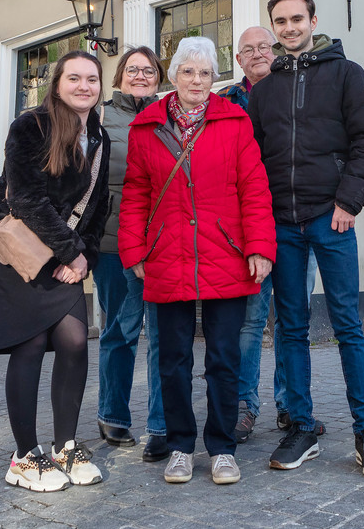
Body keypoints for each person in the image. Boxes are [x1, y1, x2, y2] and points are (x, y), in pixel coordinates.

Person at [246, 0, 364, 479]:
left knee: (348, 325)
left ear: (312, 20)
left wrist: (349, 201)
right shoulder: (263, 89)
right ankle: (301, 427)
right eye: (280, 22)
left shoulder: (347, 74)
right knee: (290, 327)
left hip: (331, 220)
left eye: (296, 19)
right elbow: (254, 159)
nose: (289, 28)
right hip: (282, 226)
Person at [119, 36, 276, 485]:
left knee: (225, 358)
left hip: (225, 253)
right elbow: (135, 195)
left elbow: (254, 187)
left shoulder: (235, 120)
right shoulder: (146, 128)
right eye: (188, 71)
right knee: (172, 358)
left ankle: (222, 447)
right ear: (173, 77)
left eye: (205, 73)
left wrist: (260, 246)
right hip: (167, 254)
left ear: (214, 79)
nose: (196, 80)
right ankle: (181, 446)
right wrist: (135, 251)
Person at [0, 51, 110, 493]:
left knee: (74, 340)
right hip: (19, 253)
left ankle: (65, 446)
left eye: (92, 79)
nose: (84, 86)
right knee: (30, 344)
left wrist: (85, 254)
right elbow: (26, 199)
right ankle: (24, 456)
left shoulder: (99, 136)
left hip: (65, 255)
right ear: (57, 83)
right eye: (74, 78)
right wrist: (70, 253)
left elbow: (96, 206)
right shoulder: (31, 126)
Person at [224, 27, 323, 442]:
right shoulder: (226, 103)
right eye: (248, 49)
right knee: (249, 321)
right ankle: (244, 405)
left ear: (277, 49)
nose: (258, 53)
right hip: (247, 227)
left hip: (298, 219)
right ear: (239, 60)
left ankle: (290, 405)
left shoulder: (300, 88)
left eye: (265, 46)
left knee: (292, 318)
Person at [94, 46, 168, 462]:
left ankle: (160, 424)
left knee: (162, 336)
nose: (140, 76)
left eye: (148, 70)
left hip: (161, 244)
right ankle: (112, 414)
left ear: (158, 78)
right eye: (133, 69)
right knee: (119, 331)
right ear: (120, 76)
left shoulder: (170, 116)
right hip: (112, 242)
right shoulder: (102, 117)